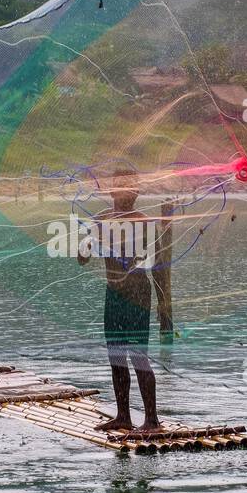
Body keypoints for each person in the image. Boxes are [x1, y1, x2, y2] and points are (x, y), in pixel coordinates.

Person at [79, 168, 160, 432]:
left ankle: (152, 420)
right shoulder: (101, 219)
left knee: (139, 355)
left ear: (136, 193)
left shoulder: (143, 221)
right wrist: (86, 243)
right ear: (112, 191)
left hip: (137, 292)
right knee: (116, 355)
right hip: (113, 293)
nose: (128, 193)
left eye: (133, 188)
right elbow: (82, 259)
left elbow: (149, 260)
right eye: (123, 187)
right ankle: (123, 416)